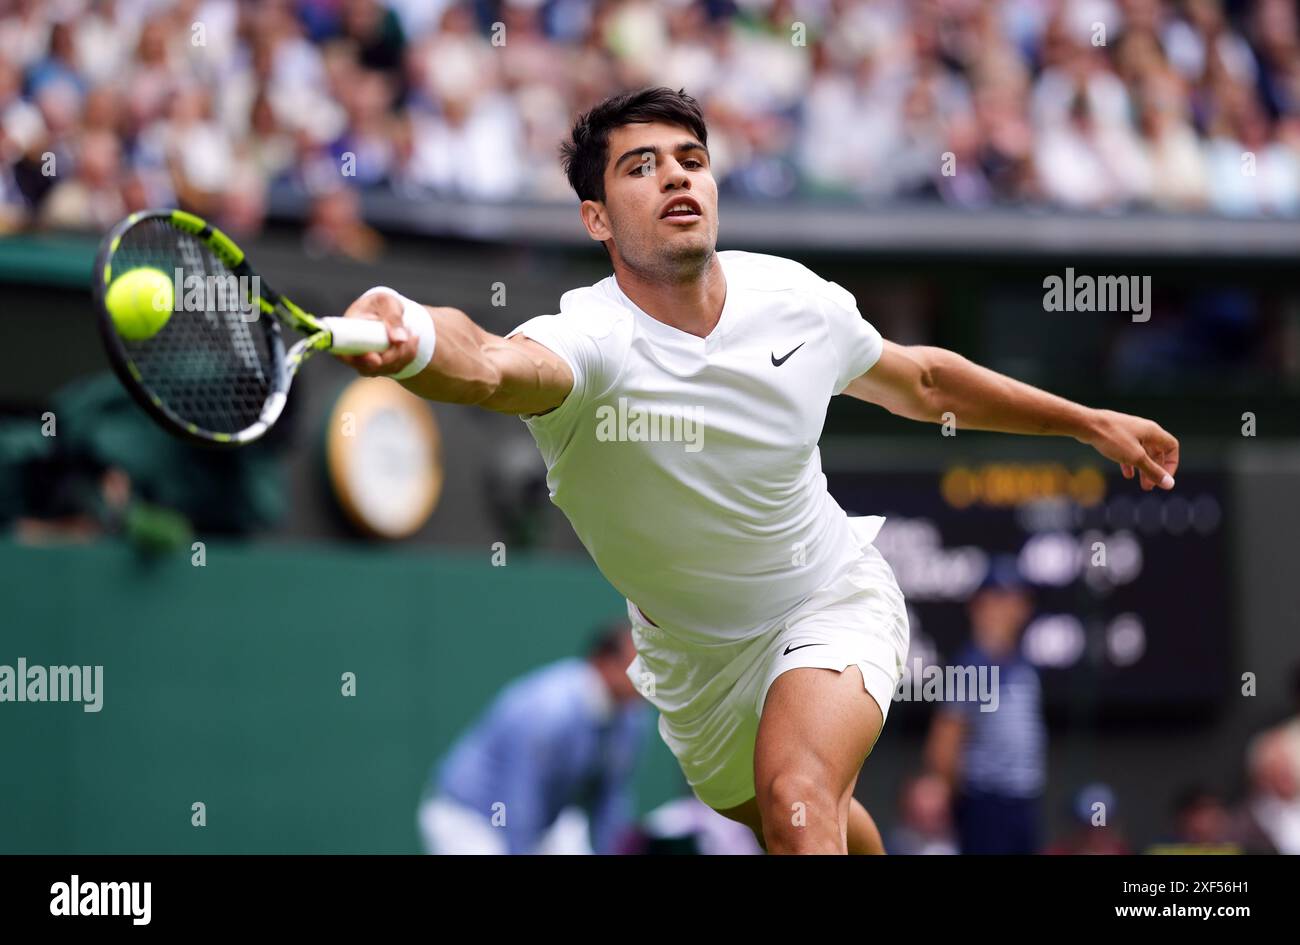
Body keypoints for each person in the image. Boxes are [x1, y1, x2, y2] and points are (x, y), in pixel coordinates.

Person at [337, 87, 1180, 854]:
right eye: (642, 166)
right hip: (696, 670)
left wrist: (1088, 420)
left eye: (691, 161)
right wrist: (410, 327)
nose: (676, 178)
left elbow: (922, 380)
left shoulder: (794, 300)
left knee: (798, 796)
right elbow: (484, 361)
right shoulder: (588, 340)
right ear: (597, 219)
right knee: (818, 820)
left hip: (828, 595)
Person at [418, 624, 647, 855]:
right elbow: (517, 798)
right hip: (475, 816)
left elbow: (610, 802)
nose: (647, 676)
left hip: (544, 815)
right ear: (605, 662)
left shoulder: (631, 717)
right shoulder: (550, 709)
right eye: (637, 664)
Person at [925, 557, 1047, 854]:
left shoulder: (1022, 665)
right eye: (999, 599)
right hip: (987, 804)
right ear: (978, 606)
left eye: (1016, 600)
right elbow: (942, 748)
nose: (1009, 609)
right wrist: (964, 802)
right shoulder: (972, 666)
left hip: (1024, 802)